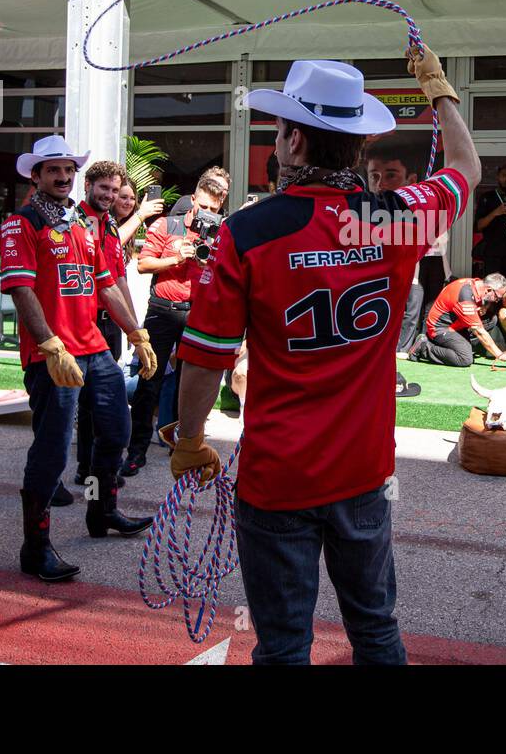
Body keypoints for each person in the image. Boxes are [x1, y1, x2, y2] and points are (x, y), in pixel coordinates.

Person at [173, 48, 479, 664]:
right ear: (357, 145)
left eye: (282, 128)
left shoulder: (247, 231)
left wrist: (189, 438)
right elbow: (467, 166)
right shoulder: (397, 217)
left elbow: (207, 357)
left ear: (292, 143)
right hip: (363, 471)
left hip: (278, 473)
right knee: (374, 628)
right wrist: (438, 89)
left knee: (284, 644)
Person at [0, 135, 159, 582]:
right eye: (54, 170)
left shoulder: (80, 227)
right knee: (51, 450)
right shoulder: (21, 224)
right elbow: (21, 289)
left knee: (116, 432)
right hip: (54, 356)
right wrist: (49, 344)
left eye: (69, 170)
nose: (64, 177)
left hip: (94, 348)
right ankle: (36, 546)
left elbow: (106, 284)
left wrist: (136, 333)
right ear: (36, 175)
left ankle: (102, 512)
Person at [123, 166, 230, 476]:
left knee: (189, 385)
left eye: (214, 209)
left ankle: (183, 447)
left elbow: (227, 276)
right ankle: (136, 451)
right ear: (193, 198)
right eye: (204, 206)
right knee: (149, 379)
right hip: (162, 310)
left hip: (198, 313)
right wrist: (176, 257)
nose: (208, 213)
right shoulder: (166, 225)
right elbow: (143, 264)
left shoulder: (223, 232)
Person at [69, 161, 136, 494]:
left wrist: (134, 328)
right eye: (104, 188)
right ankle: (82, 470)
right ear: (88, 186)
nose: (110, 195)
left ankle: (96, 473)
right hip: (81, 323)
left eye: (115, 190)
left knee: (106, 402)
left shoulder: (109, 225)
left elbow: (118, 279)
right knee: (80, 402)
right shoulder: (73, 222)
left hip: (110, 324)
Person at [366, 141, 426, 355]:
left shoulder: (420, 215)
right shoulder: (355, 214)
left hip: (409, 282)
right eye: (374, 176)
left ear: (411, 180)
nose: (380, 184)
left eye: (391, 175)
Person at [410, 274, 506, 367]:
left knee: (491, 320)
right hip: (440, 329)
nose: (496, 301)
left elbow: (483, 299)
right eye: (497, 298)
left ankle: (460, 345)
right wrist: (500, 354)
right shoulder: (465, 297)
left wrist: (485, 306)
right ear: (488, 290)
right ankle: (423, 347)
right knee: (465, 358)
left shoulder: (476, 283)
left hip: (456, 323)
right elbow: (479, 331)